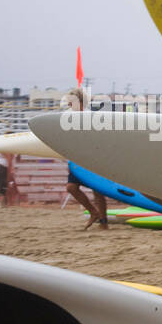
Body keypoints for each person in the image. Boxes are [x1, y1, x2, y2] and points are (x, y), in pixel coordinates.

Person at [60, 90, 111, 230]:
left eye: (71, 100)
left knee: (97, 191)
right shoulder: (69, 117)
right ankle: (93, 212)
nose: (69, 103)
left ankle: (103, 222)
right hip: (77, 159)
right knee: (71, 187)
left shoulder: (91, 116)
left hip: (92, 158)